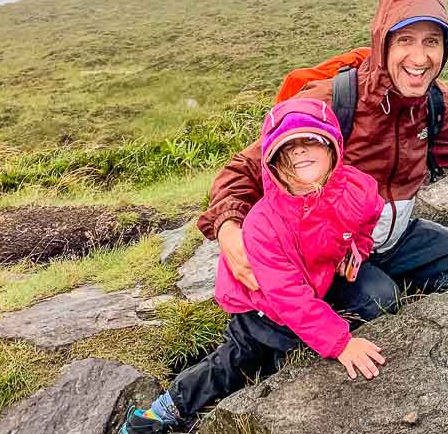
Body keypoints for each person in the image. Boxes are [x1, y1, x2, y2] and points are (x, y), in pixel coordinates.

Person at [197, 0, 448, 326]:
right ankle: (312, 313)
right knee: (380, 302)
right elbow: (245, 169)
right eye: (405, 40)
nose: (419, 58)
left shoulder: (436, 102)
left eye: (431, 41)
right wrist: (228, 229)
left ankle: (386, 286)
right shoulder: (332, 101)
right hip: (331, 252)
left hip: (396, 238)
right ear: (382, 42)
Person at [121, 98, 386, 433]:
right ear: (271, 162)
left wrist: (357, 249)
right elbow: (287, 295)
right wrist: (341, 343)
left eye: (312, 140)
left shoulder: (359, 189)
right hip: (260, 302)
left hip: (313, 283)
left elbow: (367, 219)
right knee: (234, 361)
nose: (300, 152)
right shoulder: (263, 224)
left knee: (349, 311)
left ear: (334, 145)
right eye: (287, 148)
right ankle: (164, 410)